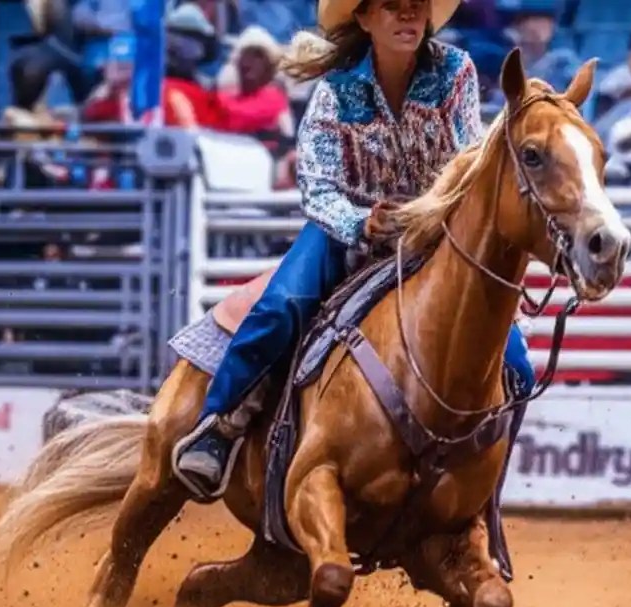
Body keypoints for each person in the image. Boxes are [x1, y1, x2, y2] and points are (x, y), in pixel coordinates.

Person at [173, 0, 537, 498]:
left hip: (431, 233)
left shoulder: (456, 72)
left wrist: (424, 215)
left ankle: (481, 493)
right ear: (364, 18)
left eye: (417, 7)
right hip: (344, 229)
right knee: (281, 306)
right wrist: (362, 222)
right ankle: (219, 424)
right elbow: (317, 188)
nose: (408, 16)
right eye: (393, 6)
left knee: (516, 366)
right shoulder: (335, 89)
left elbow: (466, 161)